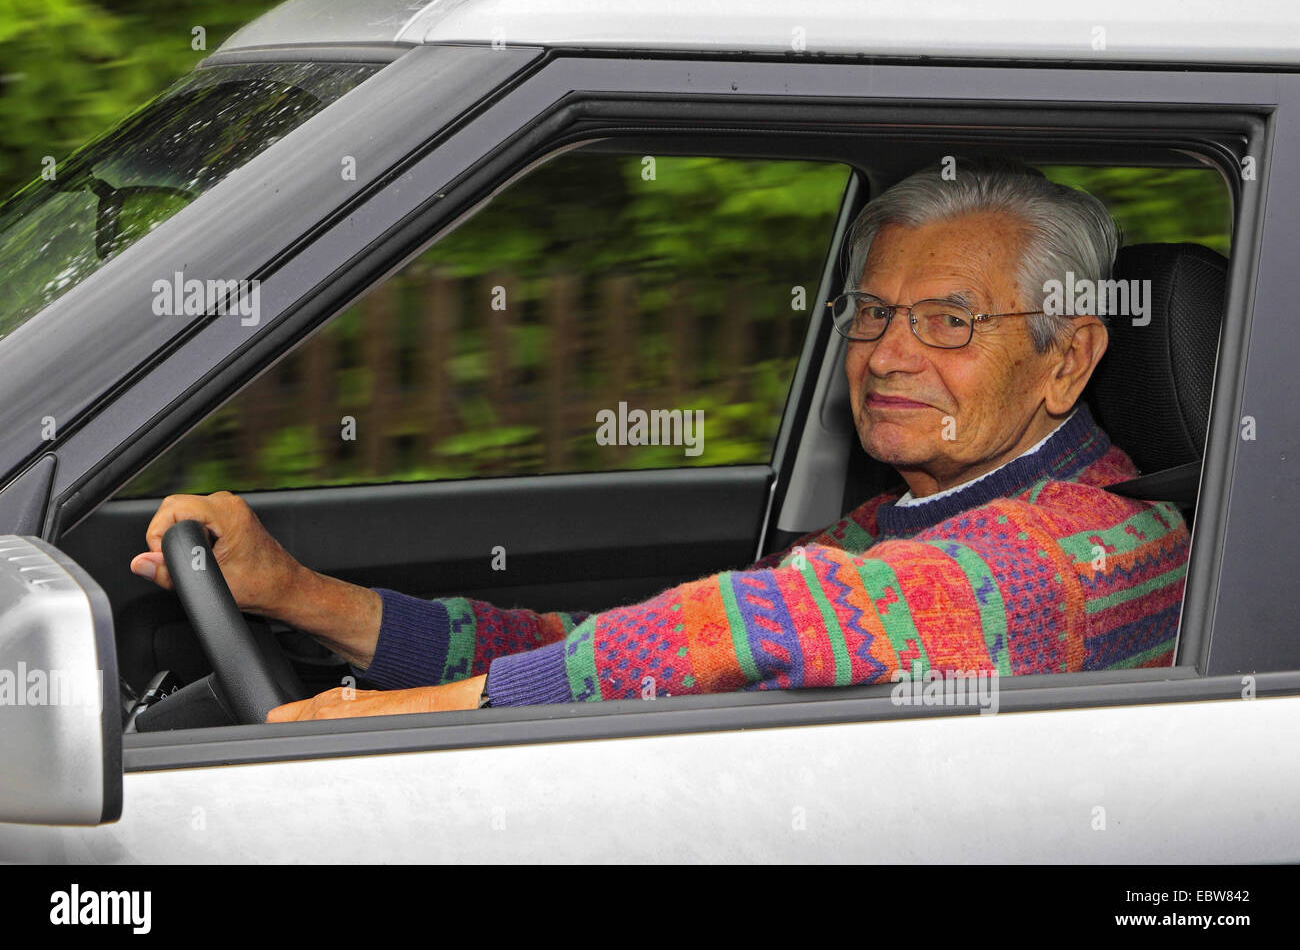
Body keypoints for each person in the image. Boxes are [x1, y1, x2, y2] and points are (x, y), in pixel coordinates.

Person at [129, 159, 1190, 721]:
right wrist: (303, 595)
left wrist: (400, 720)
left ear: (1066, 359)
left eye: (948, 320)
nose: (885, 355)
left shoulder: (1108, 551)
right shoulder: (886, 523)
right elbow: (597, 652)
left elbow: (758, 621)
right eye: (870, 312)